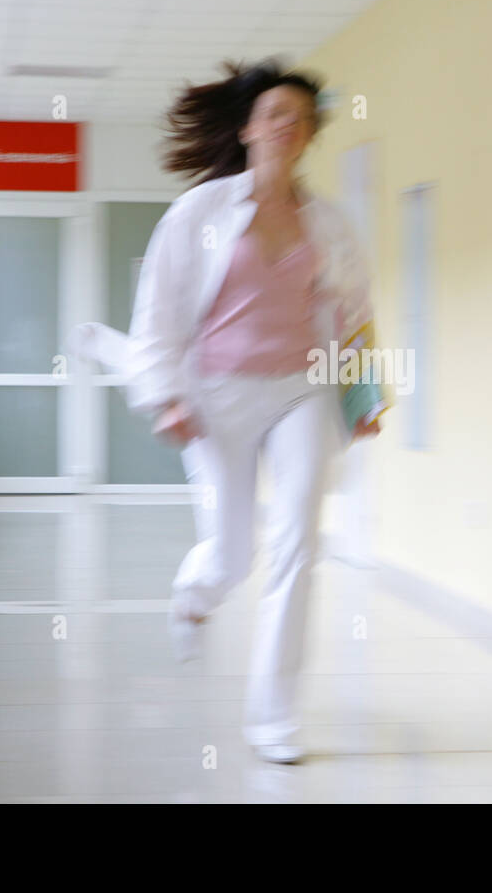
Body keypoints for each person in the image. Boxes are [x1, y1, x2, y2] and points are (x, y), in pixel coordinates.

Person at [84, 58, 385, 764]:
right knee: (233, 553)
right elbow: (159, 310)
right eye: (275, 112)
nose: (288, 124)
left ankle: (275, 719)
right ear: (249, 127)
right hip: (216, 396)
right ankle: (195, 592)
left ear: (310, 136)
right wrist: (163, 397)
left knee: (297, 544)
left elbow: (355, 311)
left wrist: (363, 394)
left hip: (298, 391)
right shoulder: (201, 213)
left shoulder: (328, 224)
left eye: (301, 117)